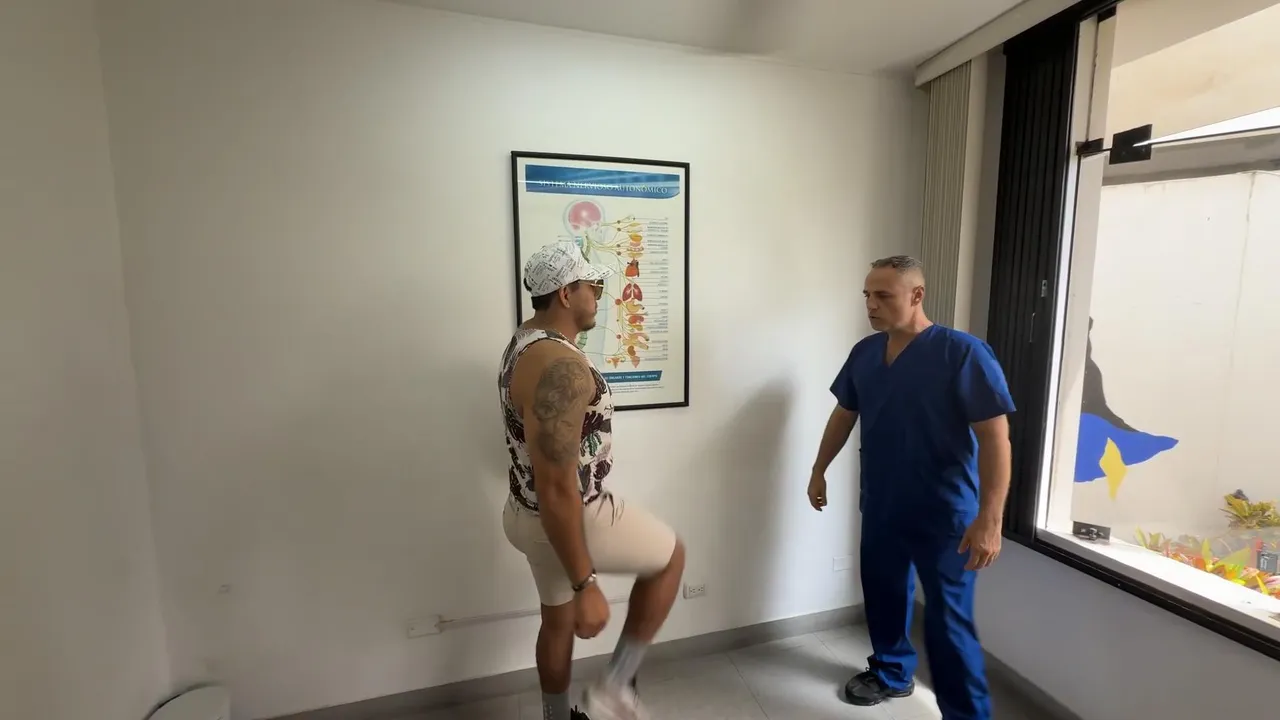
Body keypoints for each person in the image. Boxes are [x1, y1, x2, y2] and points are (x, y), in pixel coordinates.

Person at [807, 255, 1014, 720]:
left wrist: (990, 518)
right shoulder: (865, 353)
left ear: (917, 295)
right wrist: (819, 468)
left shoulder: (963, 353)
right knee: (883, 595)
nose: (871, 305)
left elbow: (995, 439)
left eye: (883, 295)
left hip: (946, 513)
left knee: (949, 624)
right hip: (882, 504)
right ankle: (891, 672)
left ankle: (966, 714)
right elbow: (845, 413)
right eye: (867, 295)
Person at [499, 241, 686, 720]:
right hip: (570, 514)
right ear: (566, 293)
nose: (599, 297)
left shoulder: (524, 340)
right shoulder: (560, 365)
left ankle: (556, 716)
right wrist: (586, 583)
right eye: (593, 287)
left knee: (556, 622)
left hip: (523, 512)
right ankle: (615, 687)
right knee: (670, 559)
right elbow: (557, 485)